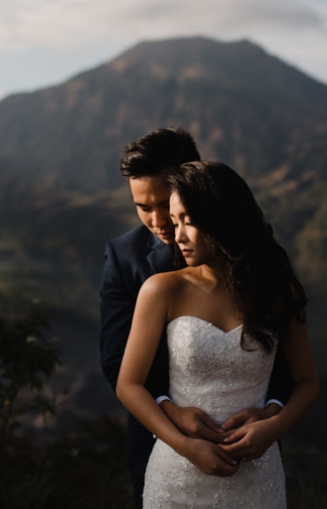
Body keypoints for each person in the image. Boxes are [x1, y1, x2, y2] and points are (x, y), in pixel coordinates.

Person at [99, 129, 294, 508]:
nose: (159, 220)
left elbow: (284, 355)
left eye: (163, 203)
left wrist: (272, 414)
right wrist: (172, 413)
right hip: (166, 450)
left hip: (249, 452)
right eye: (143, 207)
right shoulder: (126, 259)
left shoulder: (254, 249)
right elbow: (115, 361)